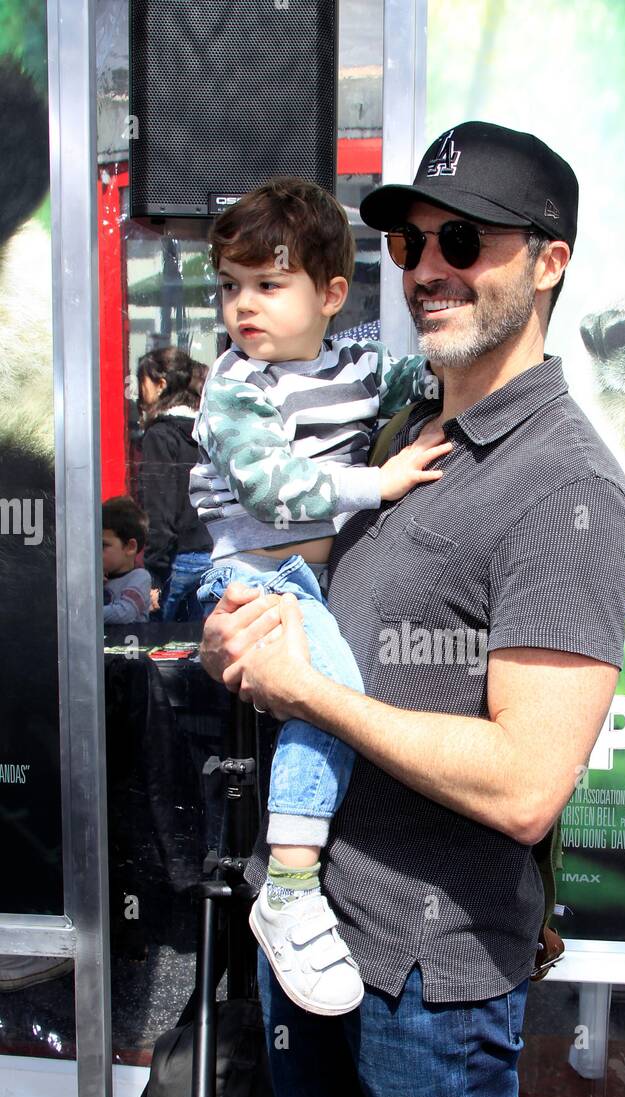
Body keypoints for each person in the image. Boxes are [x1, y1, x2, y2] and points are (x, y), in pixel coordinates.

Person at [199, 122, 625, 1097]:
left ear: (547, 262)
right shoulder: (402, 430)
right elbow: (308, 596)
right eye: (407, 240)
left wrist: (315, 693)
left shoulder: (565, 491)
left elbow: (524, 782)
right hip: (312, 932)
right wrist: (242, 648)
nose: (426, 266)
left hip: (428, 971)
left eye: (464, 239)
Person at [190, 176, 448, 1015]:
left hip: (317, 578)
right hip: (253, 576)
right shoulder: (235, 388)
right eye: (231, 287)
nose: (244, 307)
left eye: (269, 284)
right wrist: (381, 482)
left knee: (340, 697)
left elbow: (422, 370)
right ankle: (293, 883)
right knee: (329, 692)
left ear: (332, 294)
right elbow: (273, 490)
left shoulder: (354, 367)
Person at [136, 347, 212, 622]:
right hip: (216, 554)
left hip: (177, 561)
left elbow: (160, 510)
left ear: (161, 384)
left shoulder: (160, 435)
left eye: (141, 383)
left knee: (164, 651)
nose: (138, 393)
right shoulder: (208, 429)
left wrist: (154, 573)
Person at [103, 495, 152, 625]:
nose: (95, 553)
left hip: (132, 642)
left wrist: (85, 614)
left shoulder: (139, 577)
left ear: (130, 547)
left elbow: (125, 613)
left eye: (103, 546)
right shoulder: (100, 578)